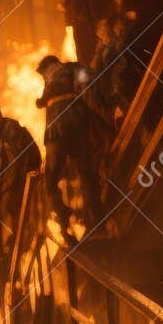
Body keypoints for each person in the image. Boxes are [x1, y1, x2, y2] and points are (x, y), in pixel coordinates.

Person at [36, 55, 114, 235]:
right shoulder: (74, 68)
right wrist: (106, 119)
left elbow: (41, 102)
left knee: (50, 183)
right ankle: (97, 225)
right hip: (77, 124)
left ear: (48, 66)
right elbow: (90, 89)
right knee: (87, 176)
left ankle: (64, 218)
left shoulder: (49, 82)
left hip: (55, 133)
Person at [0, 102, 41, 245]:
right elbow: (1, 160)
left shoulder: (8, 127)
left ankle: (24, 234)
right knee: (10, 204)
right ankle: (19, 234)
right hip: (19, 171)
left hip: (25, 171)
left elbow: (18, 154)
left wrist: (12, 177)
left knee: (13, 203)